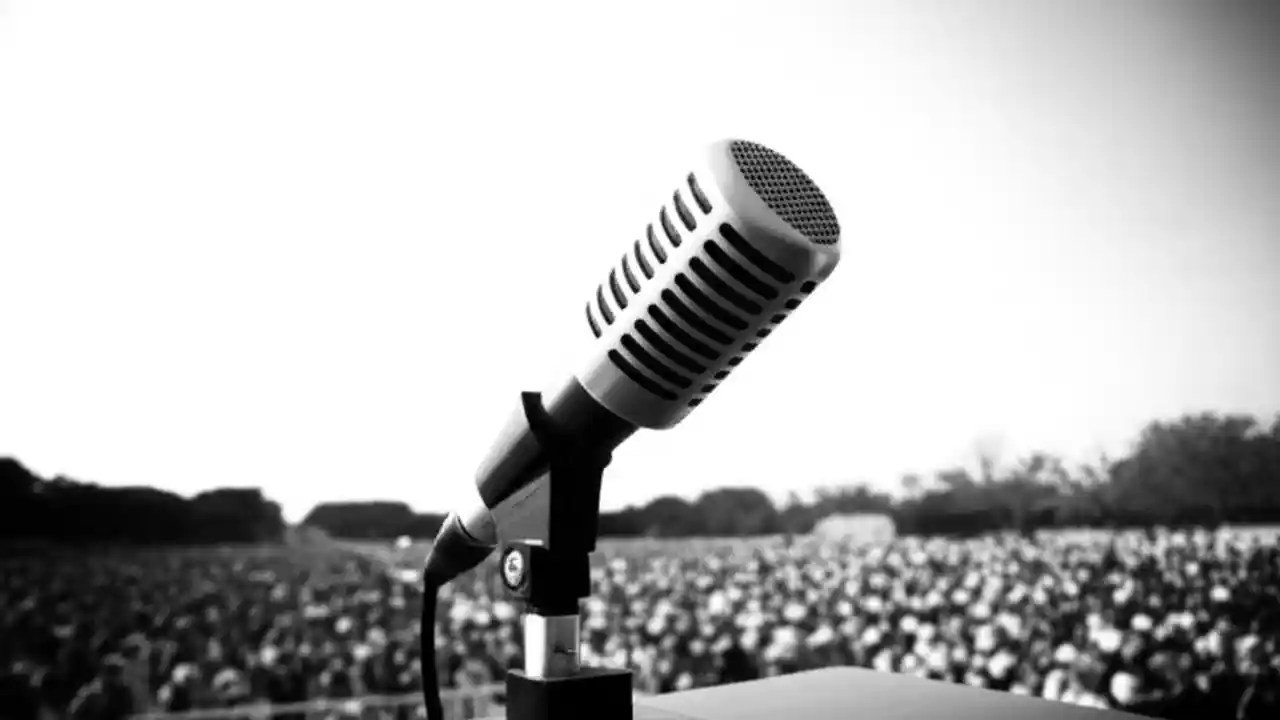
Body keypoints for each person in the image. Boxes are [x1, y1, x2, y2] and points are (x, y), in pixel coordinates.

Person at [67, 656, 134, 720]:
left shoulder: (124, 691)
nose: (112, 677)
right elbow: (72, 710)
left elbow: (127, 714)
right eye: (110, 672)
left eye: (115, 672)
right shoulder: (90, 690)